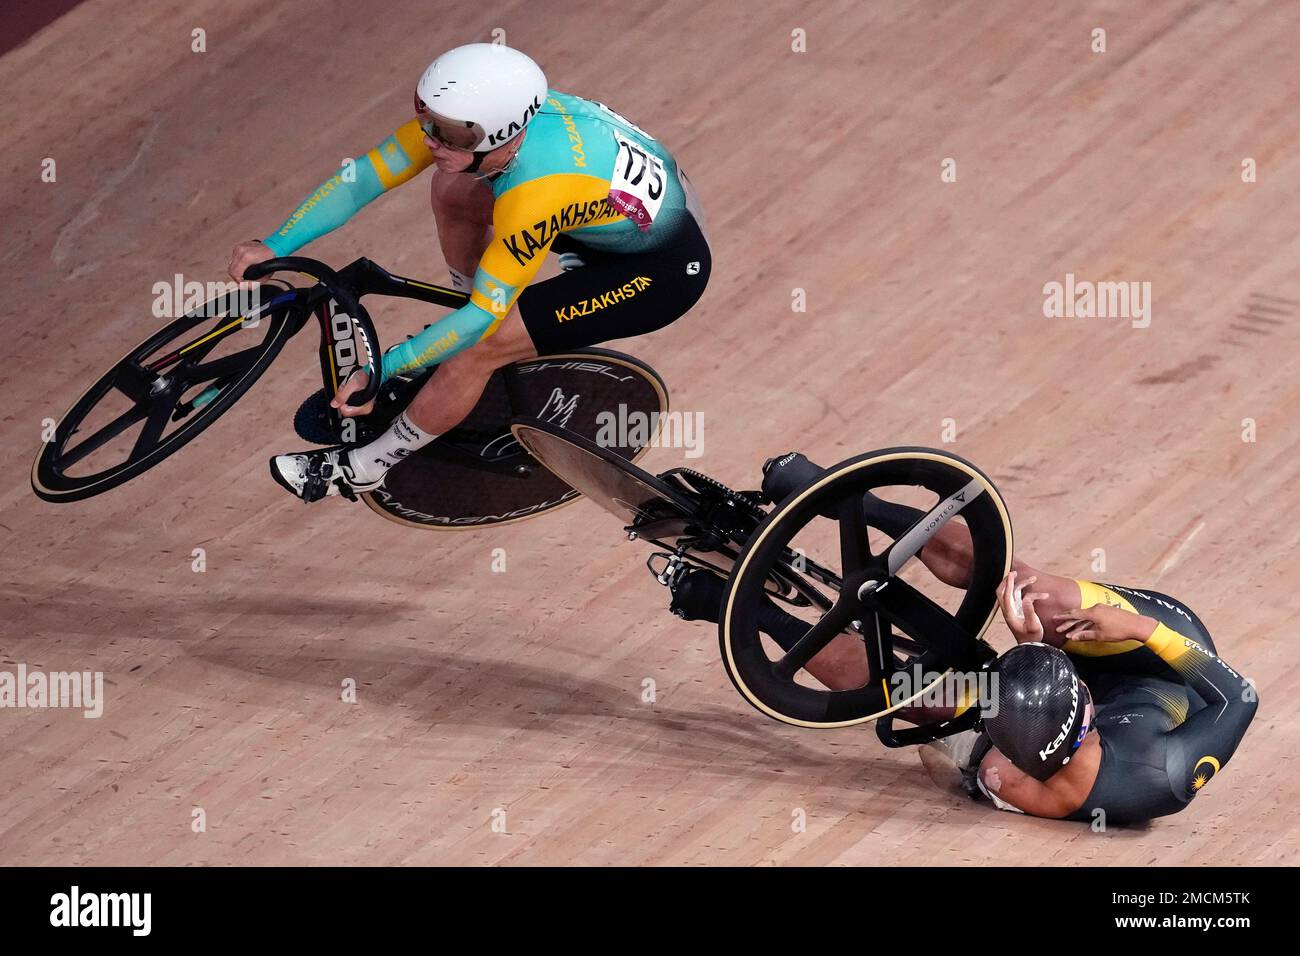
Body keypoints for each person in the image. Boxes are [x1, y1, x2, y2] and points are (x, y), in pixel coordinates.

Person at [229, 43, 710, 501]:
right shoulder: (472, 125)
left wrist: (391, 365)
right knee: (451, 188)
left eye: (451, 134)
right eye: (426, 118)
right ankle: (451, 335)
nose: (431, 140)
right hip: (604, 215)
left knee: (475, 346)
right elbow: (365, 178)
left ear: (506, 132)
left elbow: (483, 317)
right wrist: (275, 242)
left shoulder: (533, 194)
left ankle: (364, 468)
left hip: (656, 273)